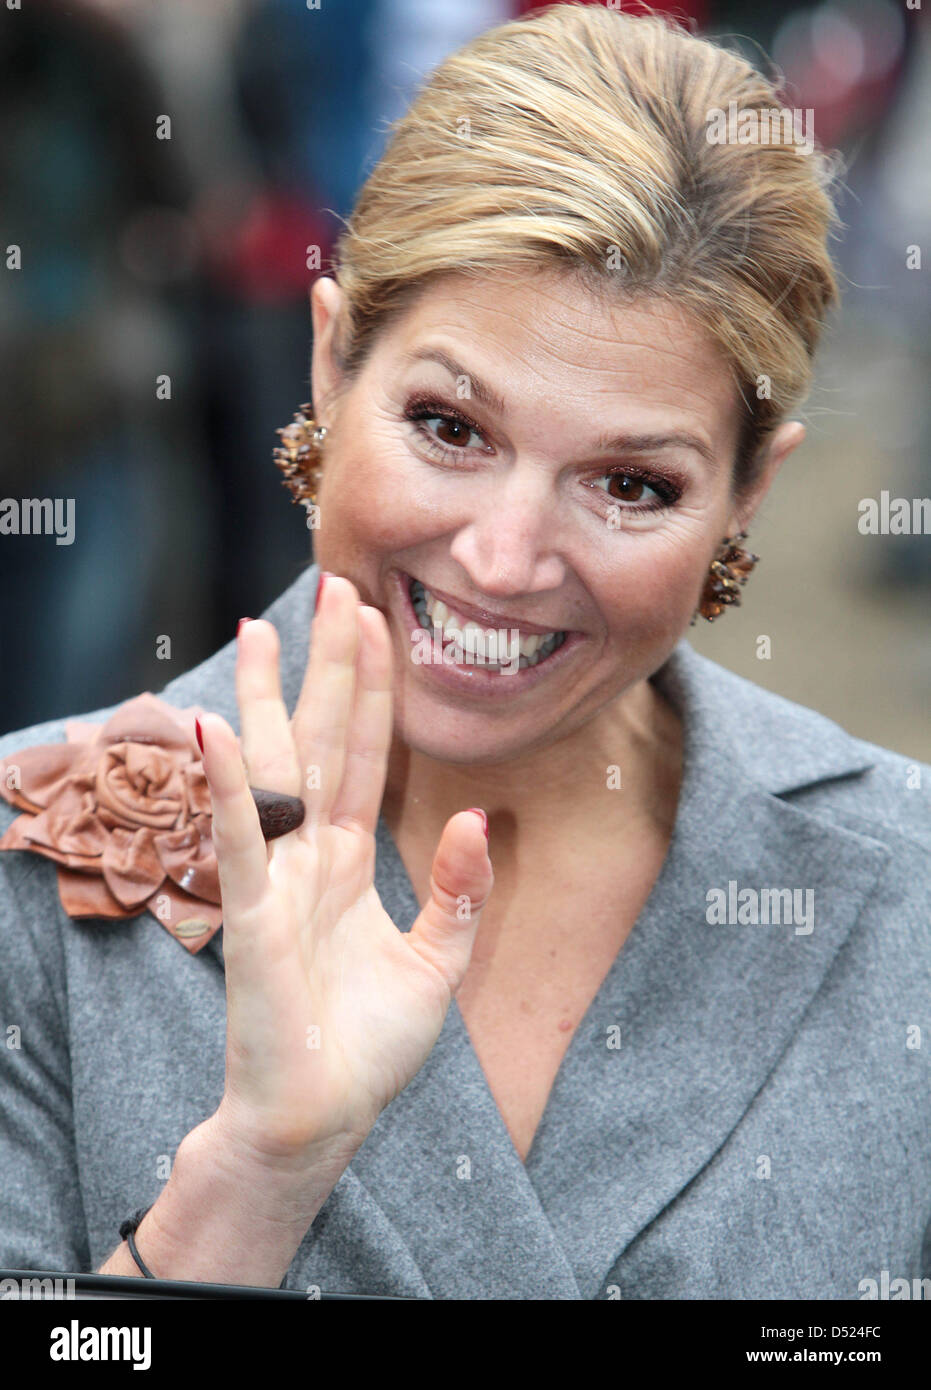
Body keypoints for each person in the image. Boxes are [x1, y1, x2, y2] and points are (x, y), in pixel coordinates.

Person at [1, 4, 928, 1301]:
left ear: (748, 494)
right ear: (331, 364)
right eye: (448, 425)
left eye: (631, 485)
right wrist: (259, 1174)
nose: (502, 559)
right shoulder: (28, 870)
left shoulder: (909, 883)